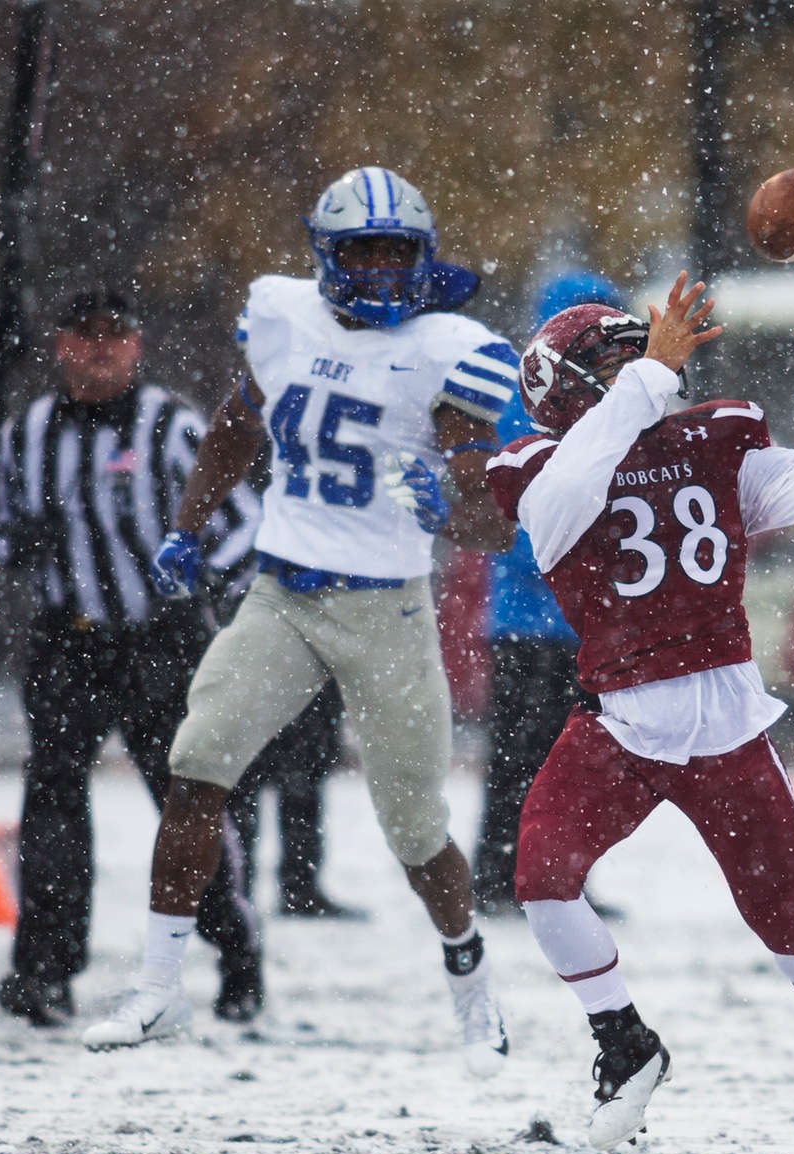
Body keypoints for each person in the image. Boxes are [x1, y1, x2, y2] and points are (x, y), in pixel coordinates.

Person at [80, 168, 519, 1080]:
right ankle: (158, 984)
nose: (380, 268)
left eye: (395, 251)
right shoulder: (283, 317)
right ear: (327, 254)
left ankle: (470, 979)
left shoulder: (451, 348)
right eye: (361, 249)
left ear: (421, 256)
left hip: (387, 611)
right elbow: (240, 425)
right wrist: (187, 528)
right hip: (282, 594)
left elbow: (492, 522)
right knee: (198, 764)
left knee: (414, 826)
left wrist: (444, 499)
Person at [486, 268, 794, 1150]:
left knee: (784, 912)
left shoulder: (711, 441)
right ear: (570, 392)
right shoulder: (538, 471)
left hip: (725, 719)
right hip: (622, 721)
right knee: (539, 879)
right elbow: (572, 490)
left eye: (636, 355)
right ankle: (624, 1040)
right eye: (614, 363)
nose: (648, 367)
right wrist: (645, 378)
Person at [0, 287, 260, 1027]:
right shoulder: (27, 433)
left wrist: (206, 586)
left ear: (136, 346)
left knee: (186, 804)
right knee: (52, 807)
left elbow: (240, 523)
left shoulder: (172, 425)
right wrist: (26, 547)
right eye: (86, 335)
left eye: (116, 335)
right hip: (67, 641)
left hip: (161, 642)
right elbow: (3, 530)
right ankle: (43, 973)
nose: (101, 348)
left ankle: (235, 950)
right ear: (61, 346)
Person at [473, 271, 627, 917]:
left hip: (554, 622)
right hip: (540, 622)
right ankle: (508, 874)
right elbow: (521, 518)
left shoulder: (549, 400)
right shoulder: (535, 405)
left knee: (552, 762)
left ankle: (543, 875)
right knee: (531, 759)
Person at [229, 680, 363, 918]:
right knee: (248, 788)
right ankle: (245, 891)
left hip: (284, 683)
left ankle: (287, 888)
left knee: (299, 783)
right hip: (276, 679)